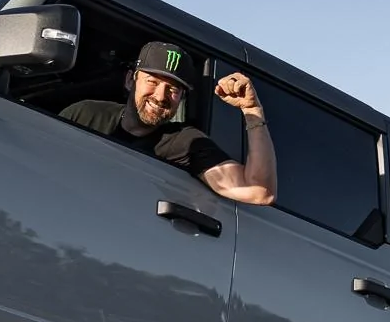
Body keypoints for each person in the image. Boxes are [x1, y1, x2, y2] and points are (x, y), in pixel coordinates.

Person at [59, 41, 278, 204]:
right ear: (130, 80)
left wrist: (251, 110)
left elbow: (258, 191)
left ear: (181, 98)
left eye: (173, 89)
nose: (161, 96)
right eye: (152, 81)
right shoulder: (85, 113)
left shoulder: (184, 143)